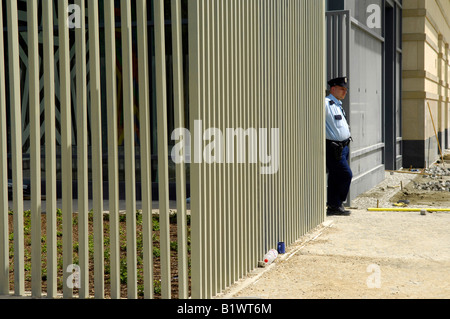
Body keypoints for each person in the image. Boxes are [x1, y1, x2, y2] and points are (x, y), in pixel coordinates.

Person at [325, 76, 353, 216]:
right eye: (342, 89)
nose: (345, 92)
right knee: (346, 175)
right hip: (333, 147)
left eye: (345, 90)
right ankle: (336, 203)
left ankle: (333, 205)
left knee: (335, 177)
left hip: (344, 147)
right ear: (333, 88)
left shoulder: (337, 105)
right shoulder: (326, 104)